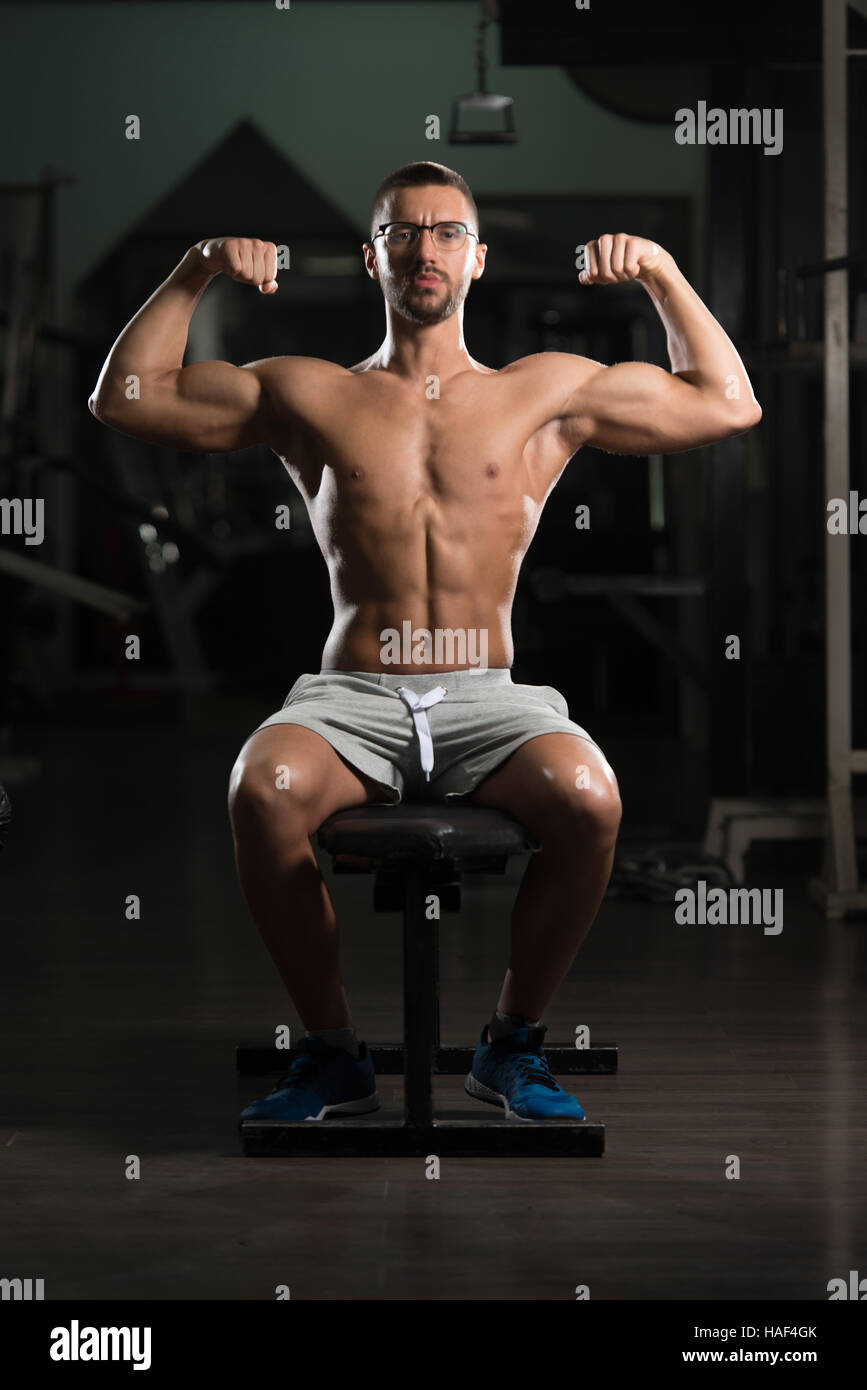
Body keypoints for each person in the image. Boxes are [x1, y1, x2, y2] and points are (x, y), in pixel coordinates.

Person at [89, 161, 761, 1124]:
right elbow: (128, 396)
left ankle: (512, 1043)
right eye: (402, 232)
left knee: (589, 799)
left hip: (489, 694)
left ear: (476, 258)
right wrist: (196, 269)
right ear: (373, 258)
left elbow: (727, 402)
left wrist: (658, 270)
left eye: (446, 231)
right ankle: (329, 1053)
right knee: (260, 789)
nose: (424, 248)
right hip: (351, 697)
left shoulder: (544, 391)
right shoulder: (307, 393)